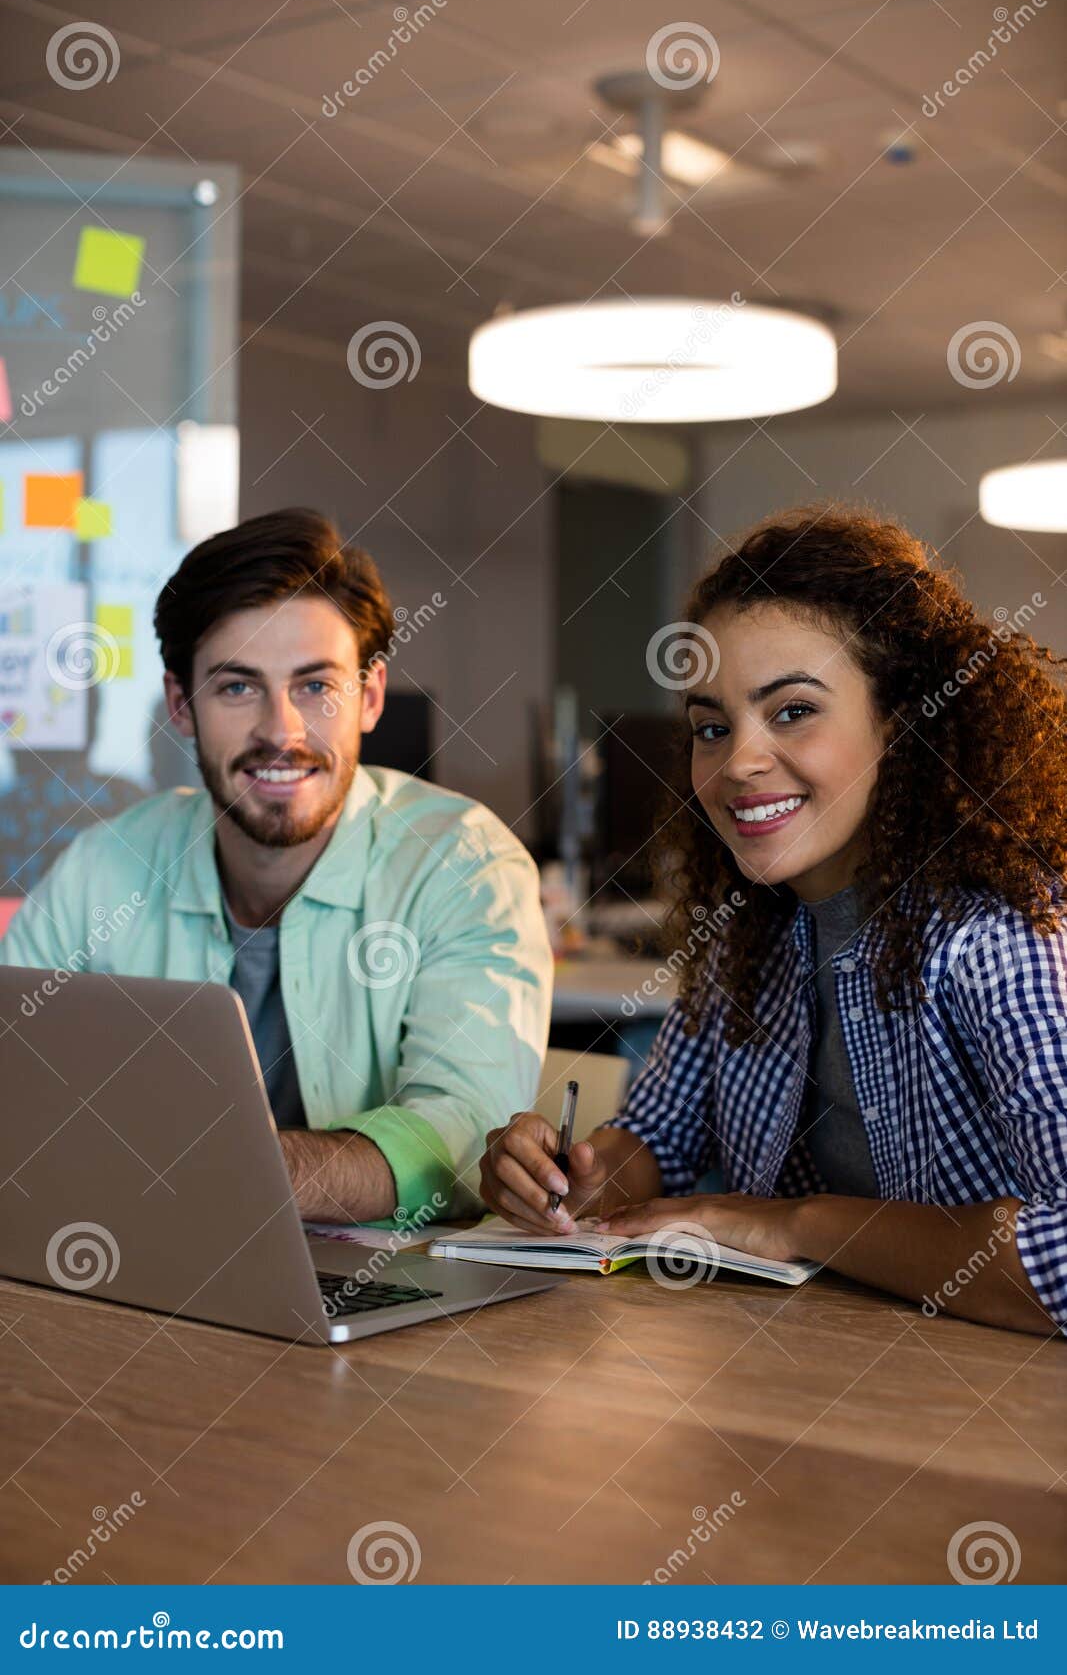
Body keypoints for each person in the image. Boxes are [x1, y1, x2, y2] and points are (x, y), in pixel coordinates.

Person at [480, 505, 1067, 1336]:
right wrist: (569, 1178)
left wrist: (792, 1224)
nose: (737, 763)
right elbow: (658, 1141)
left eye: (792, 710)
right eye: (710, 727)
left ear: (901, 724)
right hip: (807, 1377)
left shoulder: (1000, 937)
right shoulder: (743, 936)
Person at [1, 508, 552, 1224]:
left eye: (315, 686)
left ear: (370, 696)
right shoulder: (102, 868)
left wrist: (228, 1175)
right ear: (180, 704)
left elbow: (462, 1132)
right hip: (131, 1268)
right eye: (236, 687)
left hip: (380, 1298)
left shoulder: (464, 865)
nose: (280, 732)